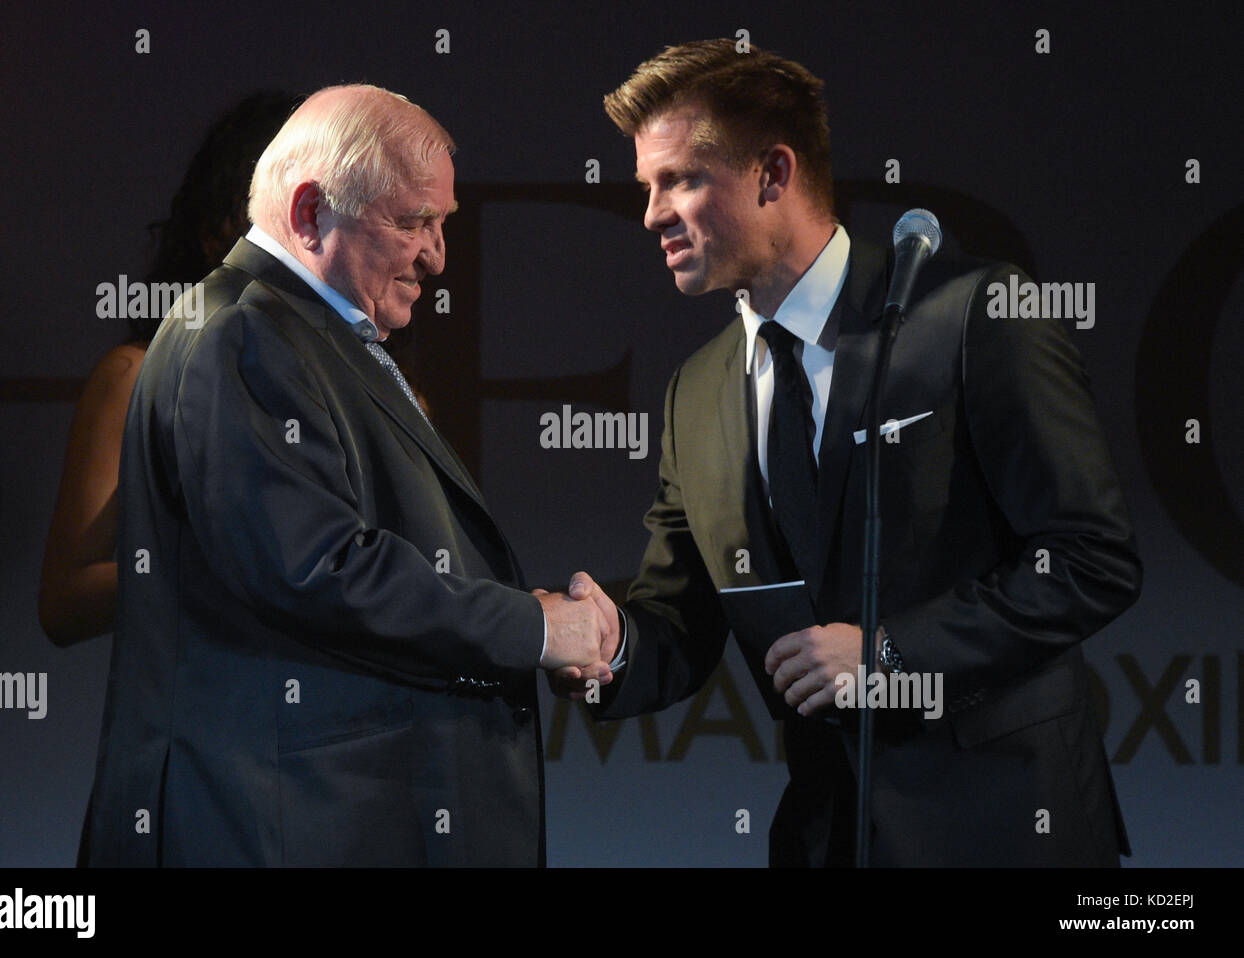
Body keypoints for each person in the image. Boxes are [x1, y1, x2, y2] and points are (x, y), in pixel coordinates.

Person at [556, 40, 1141, 866]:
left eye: (678, 179)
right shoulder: (698, 391)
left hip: (1008, 830)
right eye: (646, 186)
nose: (650, 213)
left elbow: (1092, 559)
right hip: (827, 837)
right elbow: (680, 625)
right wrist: (606, 642)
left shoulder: (972, 315)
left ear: (773, 173)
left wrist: (889, 656)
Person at [84, 84, 615, 866]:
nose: (436, 254)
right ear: (308, 215)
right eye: (412, 223)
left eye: (442, 224)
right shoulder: (243, 335)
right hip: (279, 828)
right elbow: (317, 570)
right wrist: (533, 628)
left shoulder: (299, 332)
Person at [39, 91, 298, 646]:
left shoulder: (380, 385)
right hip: (212, 720)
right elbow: (65, 599)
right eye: (271, 225)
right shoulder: (137, 377)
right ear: (213, 233)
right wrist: (218, 571)